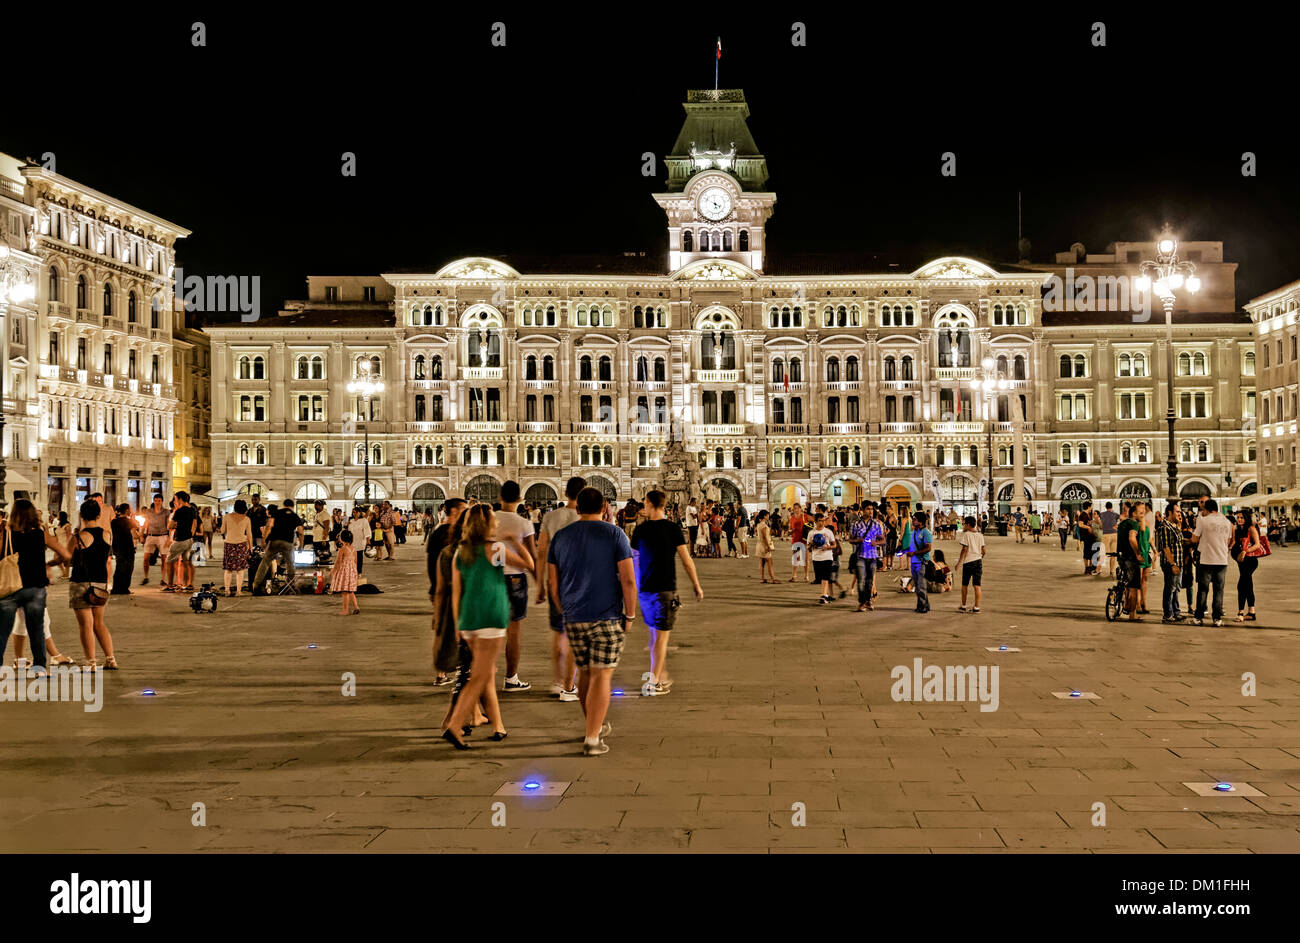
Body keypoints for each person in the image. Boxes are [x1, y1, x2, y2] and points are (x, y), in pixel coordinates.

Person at [548, 487, 637, 756]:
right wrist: (630, 614)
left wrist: (565, 608)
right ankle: (592, 738)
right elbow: (628, 579)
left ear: (577, 508)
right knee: (601, 675)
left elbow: (552, 582)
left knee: (585, 673)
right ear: (605, 506)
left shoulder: (561, 537)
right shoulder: (614, 534)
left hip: (574, 616)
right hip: (607, 616)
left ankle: (594, 726)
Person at [443, 505, 534, 750]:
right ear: (488, 525)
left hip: (469, 619)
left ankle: (493, 723)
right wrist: (517, 542)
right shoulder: (495, 550)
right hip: (491, 616)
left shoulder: (461, 553)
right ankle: (454, 724)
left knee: (484, 672)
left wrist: (457, 626)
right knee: (481, 675)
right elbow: (528, 565)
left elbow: (456, 592)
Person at [631, 490, 703, 696]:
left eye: (645, 502)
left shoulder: (640, 530)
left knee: (655, 635)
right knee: (661, 637)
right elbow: (686, 560)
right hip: (665, 589)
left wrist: (635, 585)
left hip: (645, 590)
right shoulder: (672, 529)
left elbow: (634, 560)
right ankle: (654, 682)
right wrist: (696, 585)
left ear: (651, 504)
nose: (643, 506)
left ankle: (661, 674)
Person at [0, 500, 72, 672]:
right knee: (37, 631)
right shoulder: (42, 533)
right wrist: (50, 563)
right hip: (35, 588)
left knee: (2, 633)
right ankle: (40, 669)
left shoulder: (6, 534)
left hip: (10, 587)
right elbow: (66, 554)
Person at [535, 476, 584, 702]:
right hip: (582, 582)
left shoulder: (551, 517)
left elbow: (542, 550)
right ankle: (569, 683)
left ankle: (557, 681)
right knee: (577, 633)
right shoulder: (587, 518)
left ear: (566, 493)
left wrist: (540, 584)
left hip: (556, 579)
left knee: (559, 632)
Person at [495, 480, 537, 694]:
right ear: (520, 499)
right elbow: (532, 556)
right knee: (514, 632)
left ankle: (482, 674)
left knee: (490, 629)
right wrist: (541, 585)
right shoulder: (524, 524)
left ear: (500, 497)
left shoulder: (489, 521)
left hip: (491, 577)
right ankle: (511, 678)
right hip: (515, 579)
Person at [66, 499, 117, 670]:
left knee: (86, 625)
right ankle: (110, 659)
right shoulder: (107, 534)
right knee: (99, 623)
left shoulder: (79, 537)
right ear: (99, 514)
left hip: (81, 582)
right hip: (100, 583)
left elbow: (66, 557)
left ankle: (91, 662)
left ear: (81, 515)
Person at [426, 499, 467, 685]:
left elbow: (430, 563)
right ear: (454, 512)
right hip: (453, 590)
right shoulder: (452, 535)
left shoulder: (437, 533)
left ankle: (441, 672)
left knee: (442, 630)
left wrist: (434, 587)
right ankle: (458, 669)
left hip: (440, 589)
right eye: (463, 510)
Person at [1190, 499, 1232, 627]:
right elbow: (1229, 540)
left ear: (1206, 510)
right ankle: (1217, 618)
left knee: (1203, 589)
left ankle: (1198, 617)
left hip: (1207, 559)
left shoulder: (1203, 520)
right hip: (1222, 559)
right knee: (1219, 590)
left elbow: (1194, 538)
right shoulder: (1227, 522)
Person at [253, 498, 304, 594]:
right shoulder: (295, 516)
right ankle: (290, 585)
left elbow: (269, 526)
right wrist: (301, 545)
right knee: (290, 563)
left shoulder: (277, 513)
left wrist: (264, 539)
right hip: (287, 542)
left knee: (265, 562)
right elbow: (301, 532)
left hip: (274, 541)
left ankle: (256, 585)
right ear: (292, 506)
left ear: (284, 505)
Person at [1155, 502, 1185, 623]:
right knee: (1170, 588)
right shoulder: (1164, 527)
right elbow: (1166, 547)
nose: (1179, 513)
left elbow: (1179, 542)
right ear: (1169, 513)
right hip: (1171, 563)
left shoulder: (1174, 526)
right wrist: (1173, 564)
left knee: (1176, 588)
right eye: (1177, 511)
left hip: (1179, 562)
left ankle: (1175, 612)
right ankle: (1167, 614)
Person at [851, 503, 885, 612]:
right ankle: (862, 602)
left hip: (872, 556)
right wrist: (858, 540)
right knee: (861, 580)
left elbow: (883, 540)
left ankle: (868, 601)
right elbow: (851, 539)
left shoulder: (876, 524)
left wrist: (876, 542)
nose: (870, 511)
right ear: (862, 510)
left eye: (872, 509)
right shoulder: (856, 524)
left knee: (870, 581)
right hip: (861, 555)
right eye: (868, 509)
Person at [164, 491, 198, 593]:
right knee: (186, 562)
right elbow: (194, 525)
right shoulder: (192, 510)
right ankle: (187, 584)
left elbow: (169, 526)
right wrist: (190, 534)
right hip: (189, 539)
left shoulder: (178, 511)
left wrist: (175, 524)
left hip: (179, 539)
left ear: (180, 499)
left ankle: (170, 585)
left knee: (169, 562)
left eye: (175, 499)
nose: (174, 501)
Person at [1233, 508, 1262, 623]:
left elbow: (1257, 545)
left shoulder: (1251, 529)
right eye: (1238, 518)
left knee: (1241, 585)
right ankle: (1251, 612)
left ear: (1246, 518)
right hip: (1241, 561)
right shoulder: (1238, 530)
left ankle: (1240, 612)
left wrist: (1245, 551)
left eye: (1241, 517)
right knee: (1248, 585)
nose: (1239, 519)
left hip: (1250, 561)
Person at [219, 499, 253, 596]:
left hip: (229, 544)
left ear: (235, 507)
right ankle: (238, 591)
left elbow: (222, 531)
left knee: (228, 569)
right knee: (240, 570)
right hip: (241, 545)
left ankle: (227, 590)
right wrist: (250, 547)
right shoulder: (247, 519)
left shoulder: (226, 517)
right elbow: (249, 534)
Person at [900, 511, 932, 613]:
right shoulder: (914, 532)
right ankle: (925, 605)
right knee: (918, 586)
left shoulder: (925, 532)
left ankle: (922, 607)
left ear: (921, 522)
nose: (913, 521)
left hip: (921, 562)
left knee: (921, 586)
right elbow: (912, 546)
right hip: (914, 562)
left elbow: (928, 548)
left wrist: (914, 553)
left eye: (915, 519)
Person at [955, 515, 986, 612]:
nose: (963, 526)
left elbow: (964, 549)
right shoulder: (980, 535)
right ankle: (976, 607)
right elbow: (983, 550)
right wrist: (980, 556)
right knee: (977, 585)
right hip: (978, 561)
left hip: (968, 562)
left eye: (964, 524)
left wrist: (959, 562)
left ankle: (963, 605)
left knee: (965, 584)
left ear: (968, 525)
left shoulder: (967, 535)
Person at [109, 504, 139, 595]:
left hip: (117, 547)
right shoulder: (129, 521)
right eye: (130, 509)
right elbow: (135, 535)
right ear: (126, 511)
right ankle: (124, 588)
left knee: (119, 567)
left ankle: (116, 588)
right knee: (128, 567)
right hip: (127, 547)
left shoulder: (113, 522)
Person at [139, 496, 169, 585]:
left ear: (162, 501)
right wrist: (141, 535)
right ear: (153, 501)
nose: (157, 502)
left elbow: (168, 524)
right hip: (151, 535)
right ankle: (146, 577)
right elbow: (145, 523)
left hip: (163, 536)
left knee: (164, 558)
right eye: (156, 500)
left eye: (159, 501)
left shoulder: (166, 512)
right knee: (146, 558)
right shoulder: (149, 511)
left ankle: (163, 579)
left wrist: (170, 538)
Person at [330, 530, 360, 615]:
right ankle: (356, 607)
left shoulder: (342, 549)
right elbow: (355, 561)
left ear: (342, 538)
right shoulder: (353, 549)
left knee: (344, 591)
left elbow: (338, 561)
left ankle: (345, 610)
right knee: (350, 591)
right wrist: (355, 572)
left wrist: (334, 570)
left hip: (344, 571)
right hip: (352, 570)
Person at [788, 506, 810, 582]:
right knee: (795, 557)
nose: (795, 510)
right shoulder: (792, 518)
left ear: (800, 509)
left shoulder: (805, 516)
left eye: (797, 508)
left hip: (804, 539)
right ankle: (794, 576)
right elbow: (790, 528)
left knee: (806, 558)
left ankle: (806, 576)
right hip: (795, 539)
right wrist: (791, 531)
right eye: (794, 508)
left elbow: (815, 520)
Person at [755, 510, 777, 582]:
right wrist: (768, 546)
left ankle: (762, 578)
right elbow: (765, 537)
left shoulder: (759, 525)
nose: (768, 516)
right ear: (764, 516)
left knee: (762, 563)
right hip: (764, 546)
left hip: (759, 545)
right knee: (770, 562)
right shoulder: (763, 525)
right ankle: (772, 578)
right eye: (767, 515)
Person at [1099, 502, 1120, 576]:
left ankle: (1098, 569)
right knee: (1113, 554)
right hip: (1114, 534)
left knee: (1102, 553)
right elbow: (1119, 520)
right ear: (1112, 507)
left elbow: (1101, 525)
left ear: (1105, 507)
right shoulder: (1116, 514)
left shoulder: (1101, 514)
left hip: (1106, 534)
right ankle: (1112, 571)